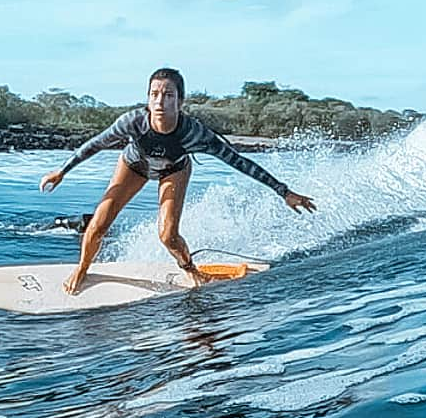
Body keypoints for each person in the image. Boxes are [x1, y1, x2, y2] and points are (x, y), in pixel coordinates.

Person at [39, 68, 317, 295]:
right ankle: (83, 268)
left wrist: (284, 192)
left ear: (179, 101)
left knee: (168, 236)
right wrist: (62, 171)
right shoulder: (132, 122)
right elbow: (95, 144)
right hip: (133, 166)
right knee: (99, 223)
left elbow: (239, 162)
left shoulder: (194, 134)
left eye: (168, 95)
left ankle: (190, 269)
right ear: (147, 98)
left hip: (174, 170)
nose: (160, 102)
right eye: (154, 95)